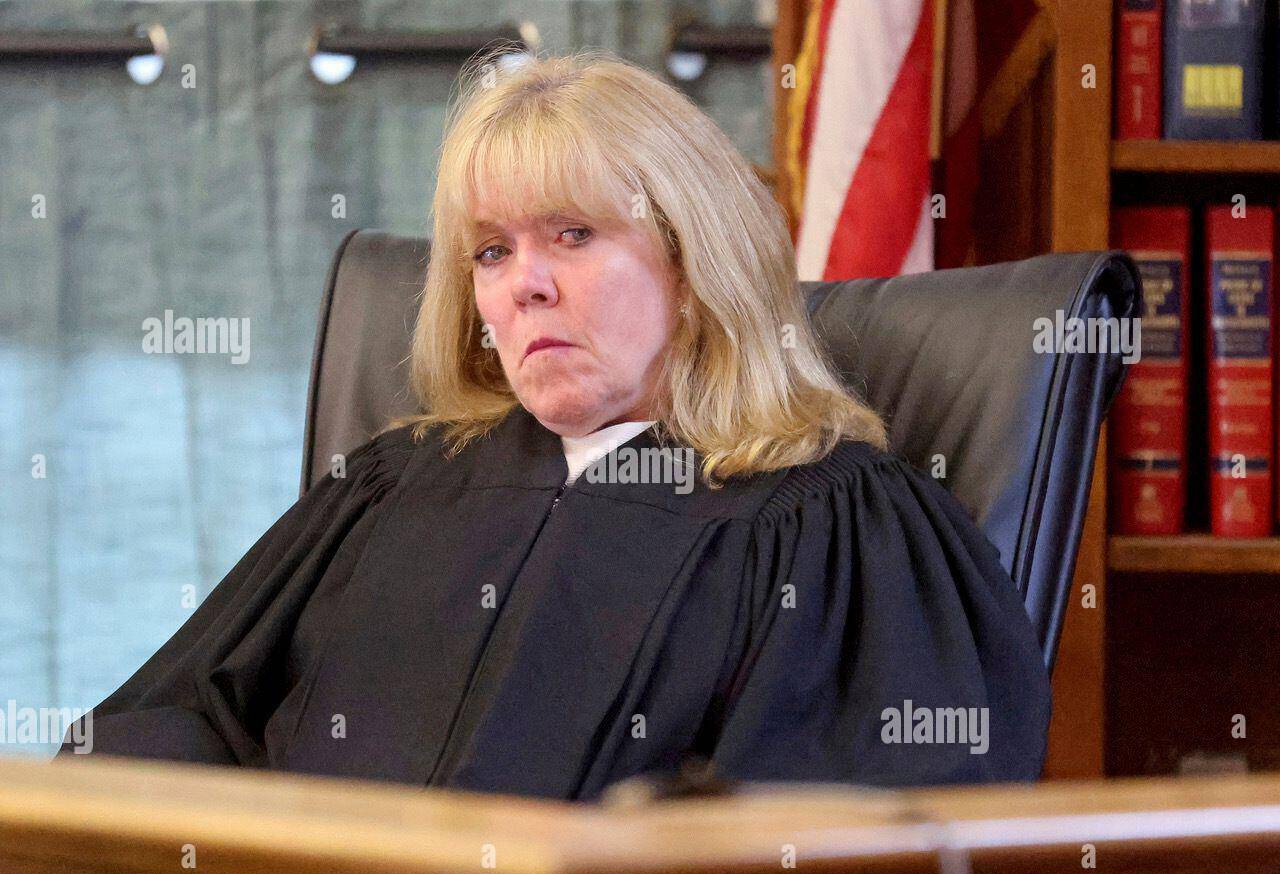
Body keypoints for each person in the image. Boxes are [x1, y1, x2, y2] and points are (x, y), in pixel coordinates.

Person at [57, 50, 1051, 799]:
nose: (524, 282)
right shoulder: (390, 486)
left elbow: (824, 863)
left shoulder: (827, 521)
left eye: (572, 235)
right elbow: (175, 721)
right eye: (490, 251)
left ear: (692, 262)